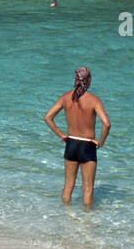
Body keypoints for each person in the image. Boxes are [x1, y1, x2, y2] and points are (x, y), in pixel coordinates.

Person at [43, 67, 110, 207]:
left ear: (75, 80)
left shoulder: (66, 97)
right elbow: (107, 124)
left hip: (71, 144)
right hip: (88, 145)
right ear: (89, 80)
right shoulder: (94, 100)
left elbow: (48, 117)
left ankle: (66, 215)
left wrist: (61, 135)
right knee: (88, 189)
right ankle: (87, 222)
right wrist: (101, 142)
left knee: (68, 185)